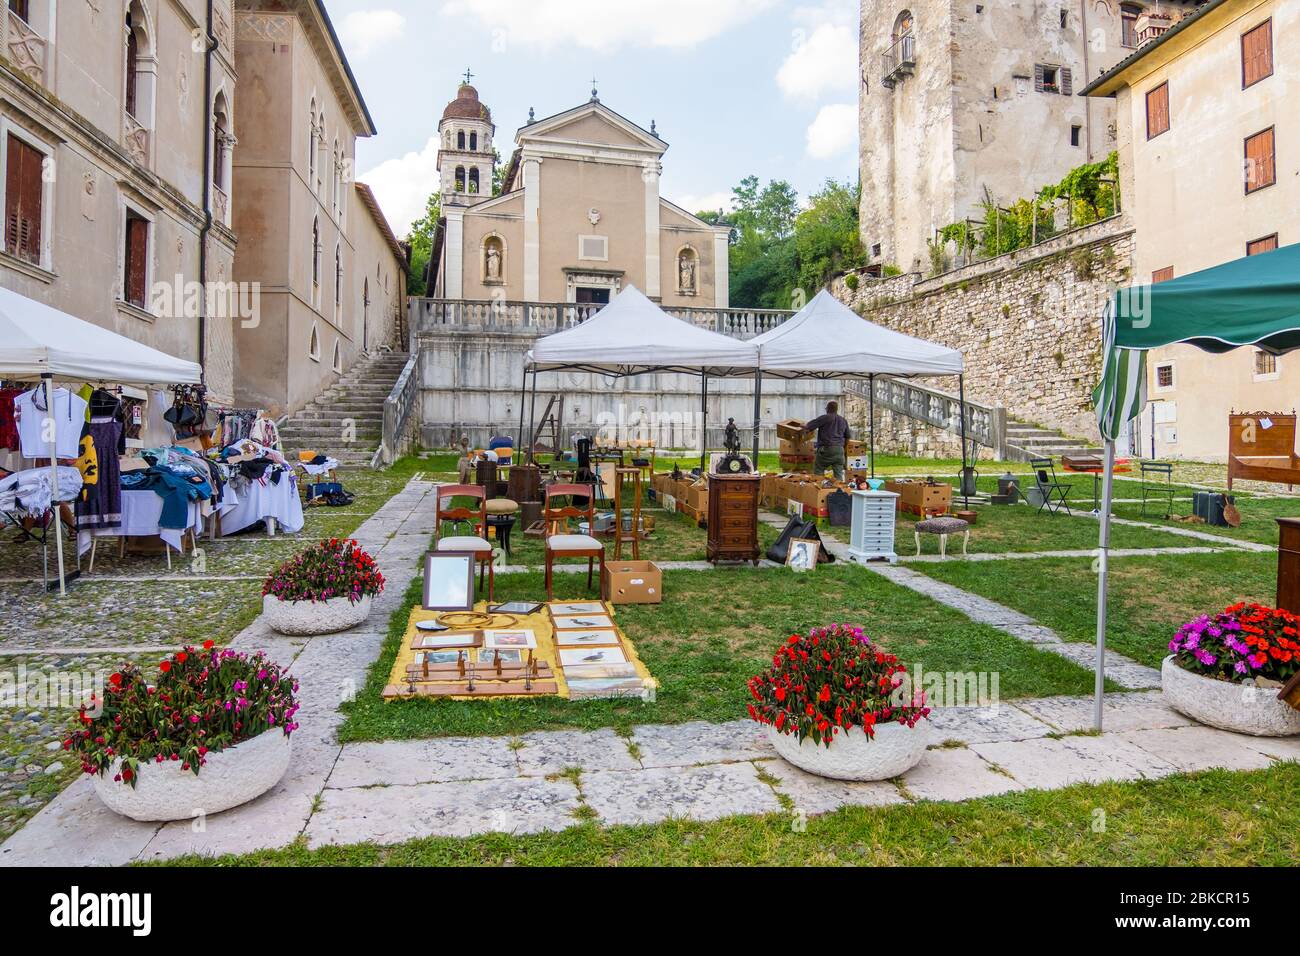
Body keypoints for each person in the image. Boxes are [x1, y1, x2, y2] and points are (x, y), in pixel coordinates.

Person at [803, 401, 850, 481]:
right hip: (839, 450)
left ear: (827, 409)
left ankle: (819, 489)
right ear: (836, 409)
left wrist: (801, 425)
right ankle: (839, 491)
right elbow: (848, 437)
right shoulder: (843, 420)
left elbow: (809, 426)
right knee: (838, 474)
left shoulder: (825, 417)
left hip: (826, 449)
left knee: (819, 469)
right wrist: (843, 448)